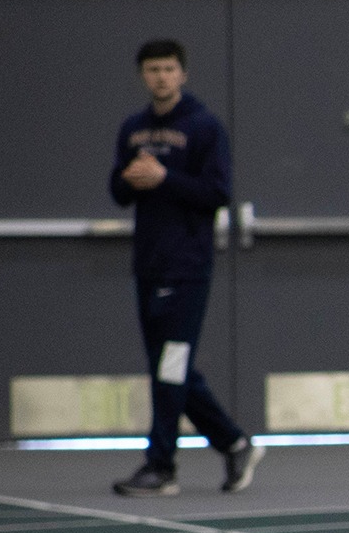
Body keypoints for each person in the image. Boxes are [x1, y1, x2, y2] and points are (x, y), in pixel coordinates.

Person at [108, 39, 261, 498]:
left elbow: (217, 193)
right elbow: (118, 192)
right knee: (167, 367)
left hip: (188, 265)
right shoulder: (132, 129)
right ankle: (233, 443)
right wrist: (130, 179)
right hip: (148, 263)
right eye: (153, 69)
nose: (161, 77)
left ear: (183, 74)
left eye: (169, 69)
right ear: (142, 76)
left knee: (171, 366)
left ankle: (162, 466)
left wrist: (165, 178)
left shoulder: (204, 127)